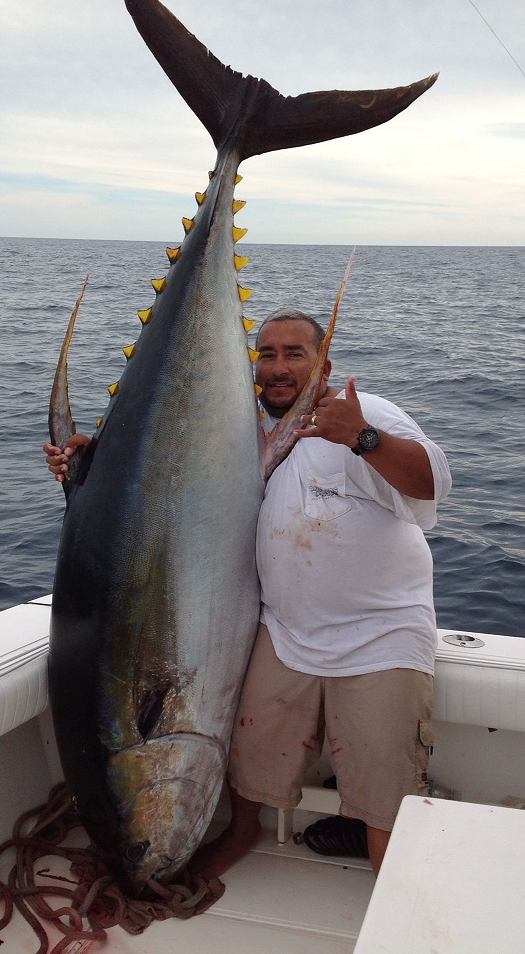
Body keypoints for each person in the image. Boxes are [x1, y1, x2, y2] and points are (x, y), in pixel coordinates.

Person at [44, 308, 451, 878]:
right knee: (252, 758)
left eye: (295, 354)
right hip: (287, 635)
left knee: (384, 785)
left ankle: (392, 885)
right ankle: (241, 833)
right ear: (250, 369)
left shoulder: (364, 414)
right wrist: (93, 463)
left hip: (381, 637)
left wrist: (361, 437)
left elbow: (435, 482)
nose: (279, 368)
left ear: (323, 363)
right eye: (267, 355)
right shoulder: (251, 442)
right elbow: (175, 486)